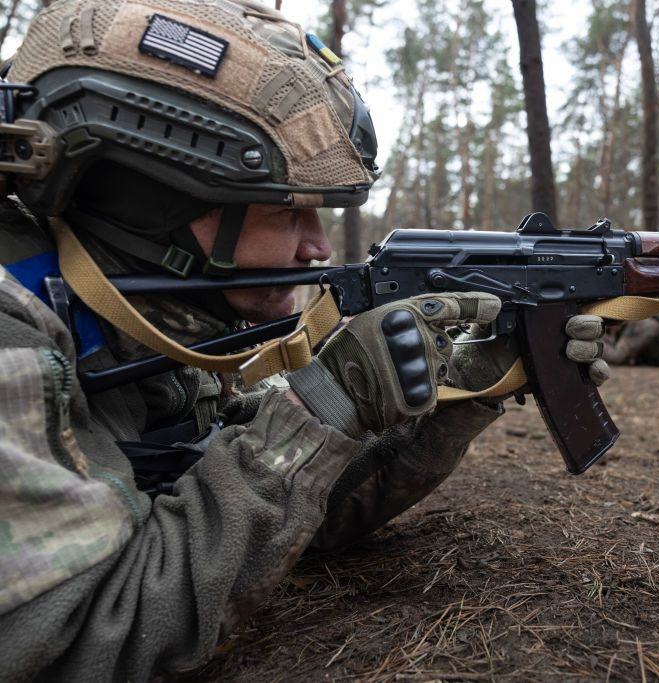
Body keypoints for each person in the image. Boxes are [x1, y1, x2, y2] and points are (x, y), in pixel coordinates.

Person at [0, 1, 608, 679]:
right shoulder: (13, 331)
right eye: (285, 210)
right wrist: (322, 404)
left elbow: (267, 517)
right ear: (155, 204)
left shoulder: (150, 322)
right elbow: (81, 636)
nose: (318, 247)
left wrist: (462, 386)